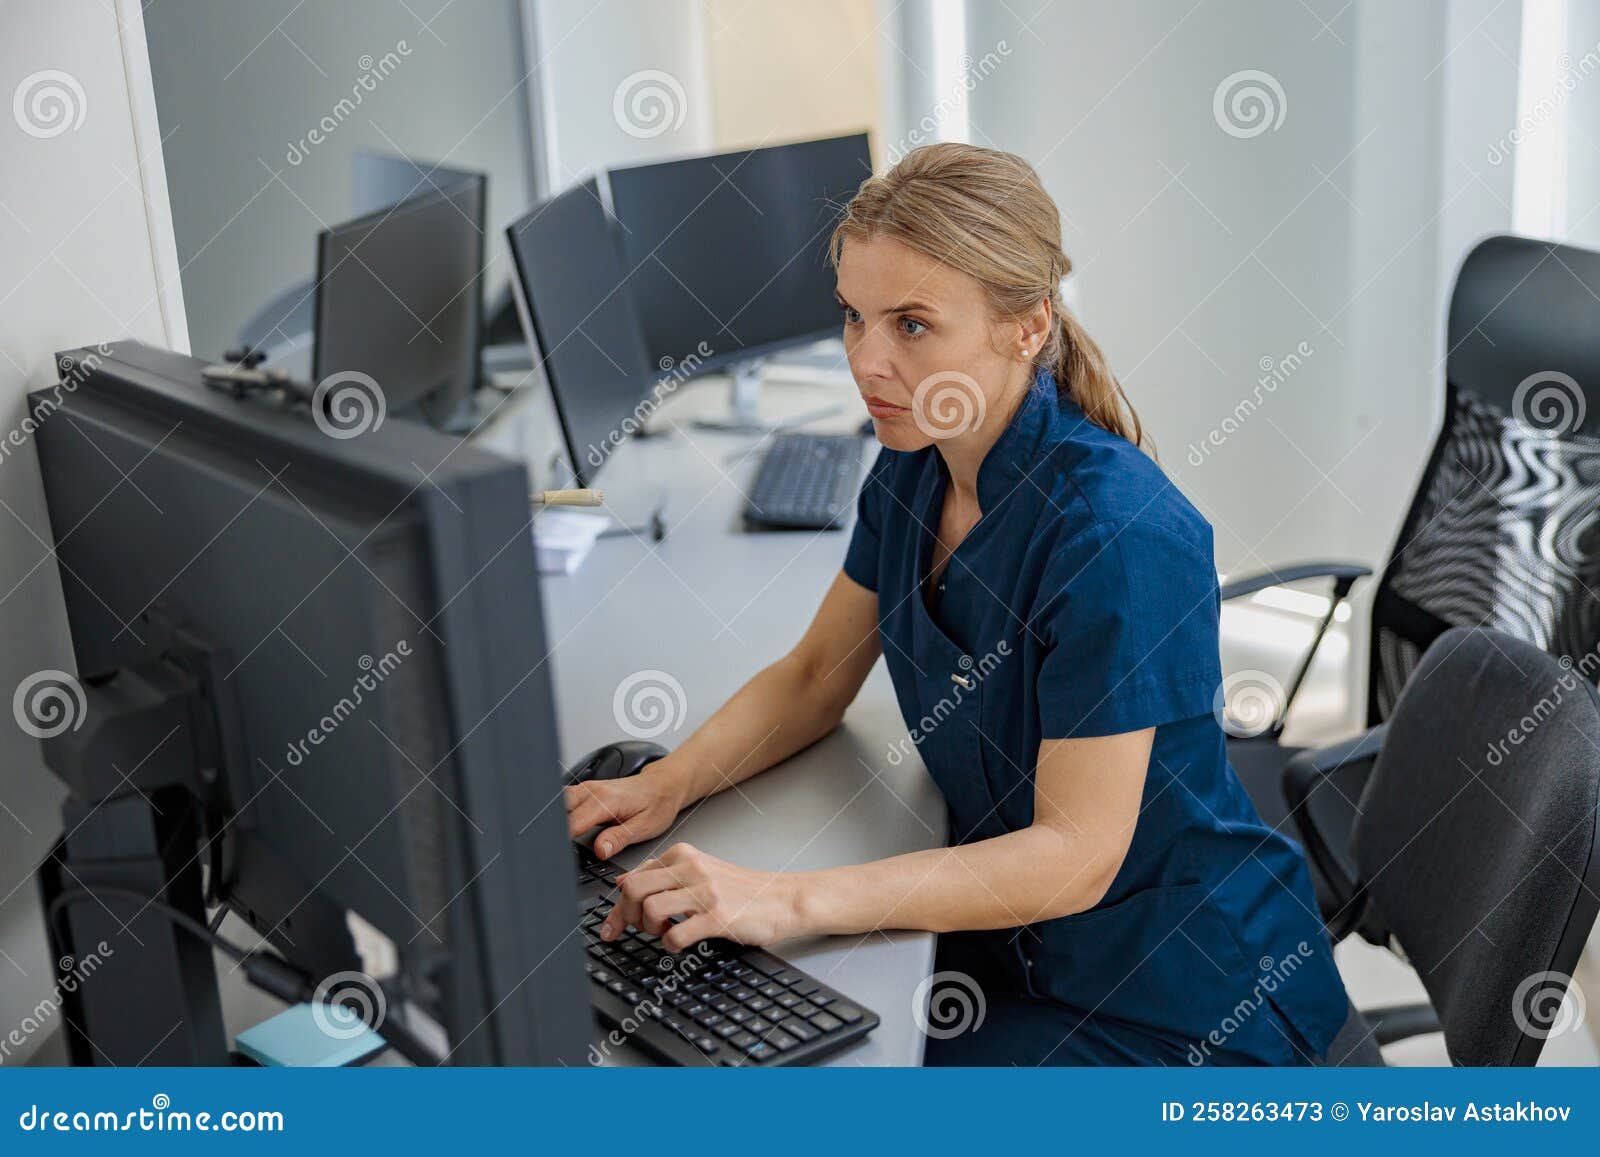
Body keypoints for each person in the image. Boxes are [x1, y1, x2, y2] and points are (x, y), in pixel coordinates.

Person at [565, 142, 1349, 1066]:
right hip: (1022, 946)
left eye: (911, 325)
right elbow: (817, 675)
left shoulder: (1119, 535)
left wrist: (787, 896)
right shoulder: (913, 467)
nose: (867, 359)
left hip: (1183, 997)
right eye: (854, 317)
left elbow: (1074, 854)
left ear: (1026, 326)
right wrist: (669, 782)